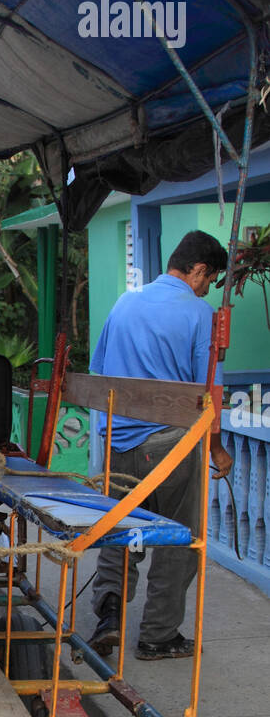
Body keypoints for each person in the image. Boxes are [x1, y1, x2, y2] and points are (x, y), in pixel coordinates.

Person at [88, 230, 234, 662]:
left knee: (122, 531)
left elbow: (99, 371)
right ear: (199, 271)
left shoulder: (124, 302)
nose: (208, 289)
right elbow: (207, 396)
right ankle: (157, 635)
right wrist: (218, 450)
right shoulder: (198, 313)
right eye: (209, 280)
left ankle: (109, 616)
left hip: (118, 444)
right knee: (178, 539)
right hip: (169, 445)